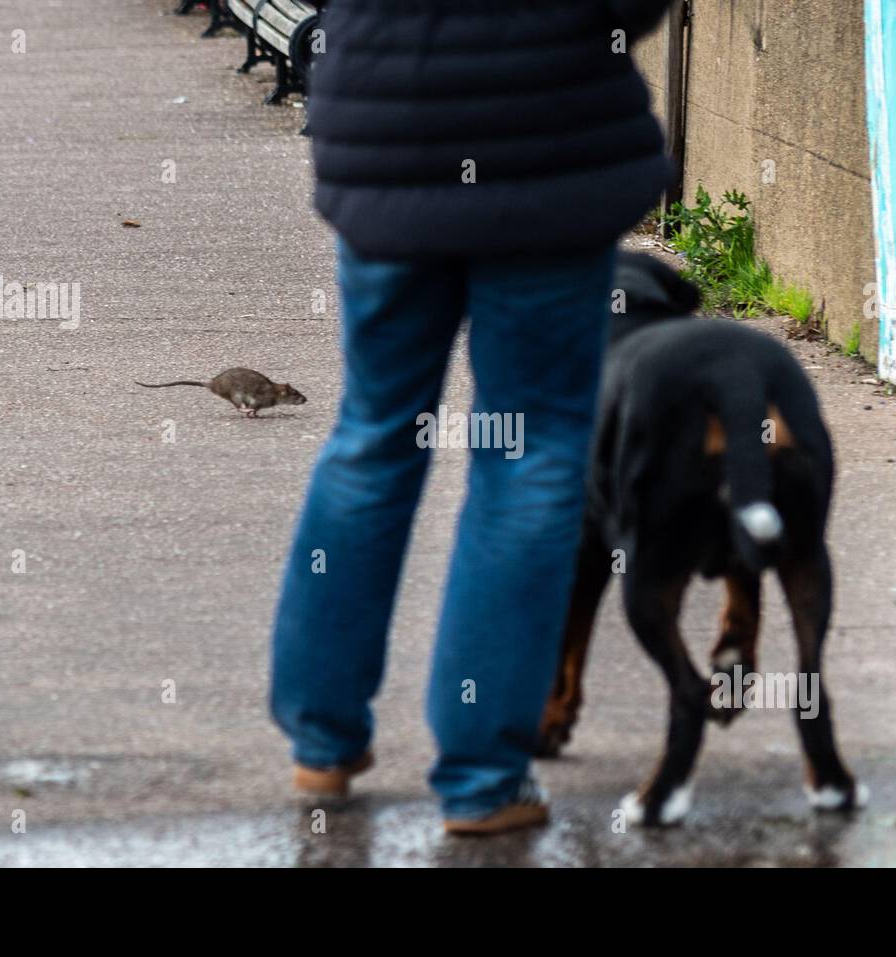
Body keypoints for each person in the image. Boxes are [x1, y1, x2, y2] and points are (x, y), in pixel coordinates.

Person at [271, 0, 675, 835]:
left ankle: (322, 738)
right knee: (528, 455)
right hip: (544, 133)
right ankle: (483, 775)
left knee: (373, 433)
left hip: (387, 131)